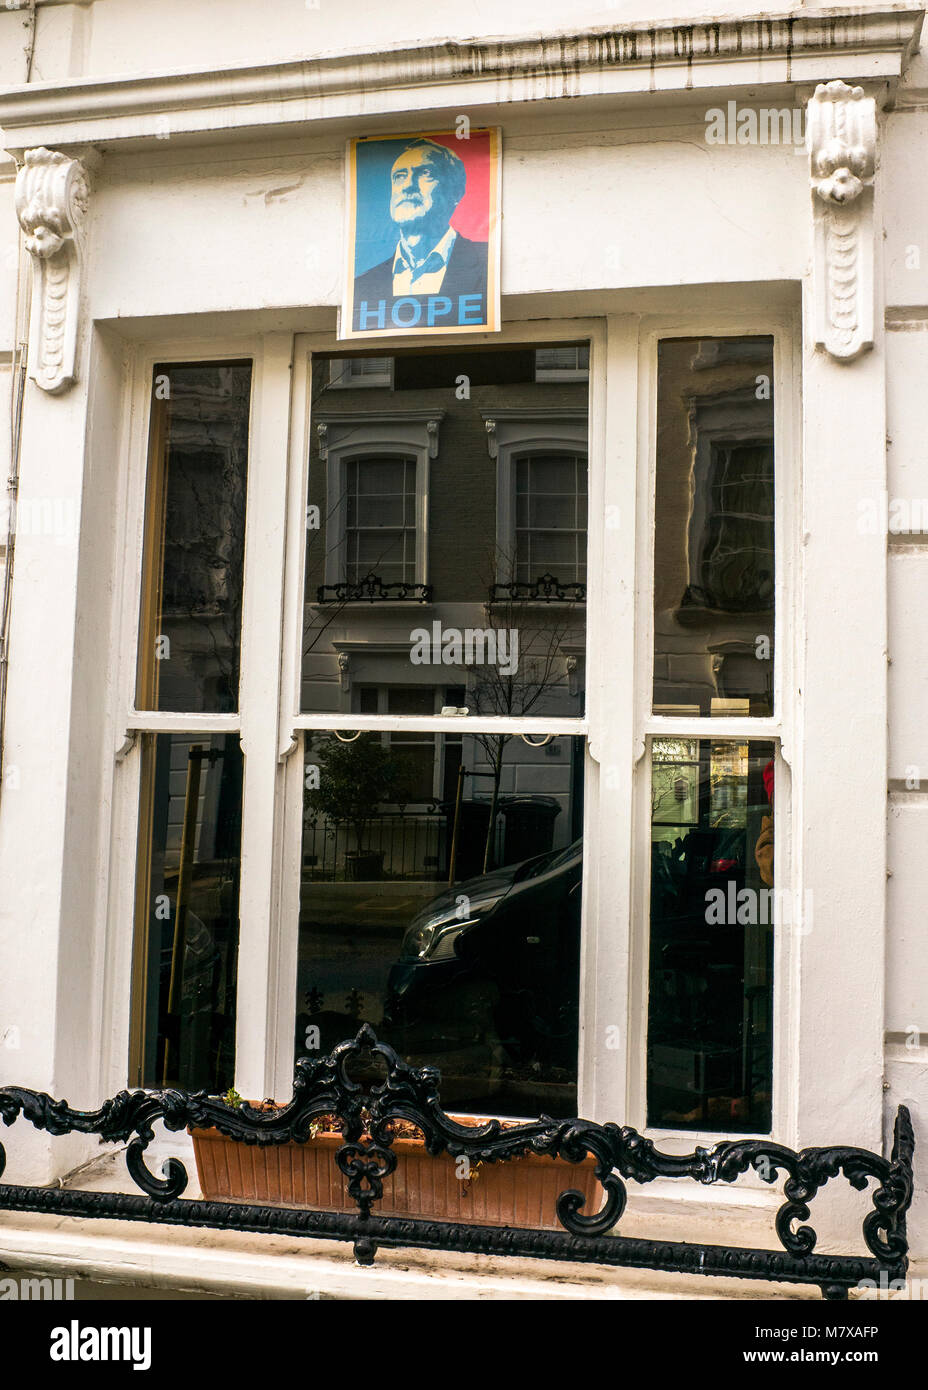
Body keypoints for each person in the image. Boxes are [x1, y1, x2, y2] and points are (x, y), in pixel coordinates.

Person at [352, 138, 489, 333]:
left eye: (425, 173)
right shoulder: (362, 285)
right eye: (399, 176)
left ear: (456, 192)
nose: (408, 185)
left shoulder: (488, 262)